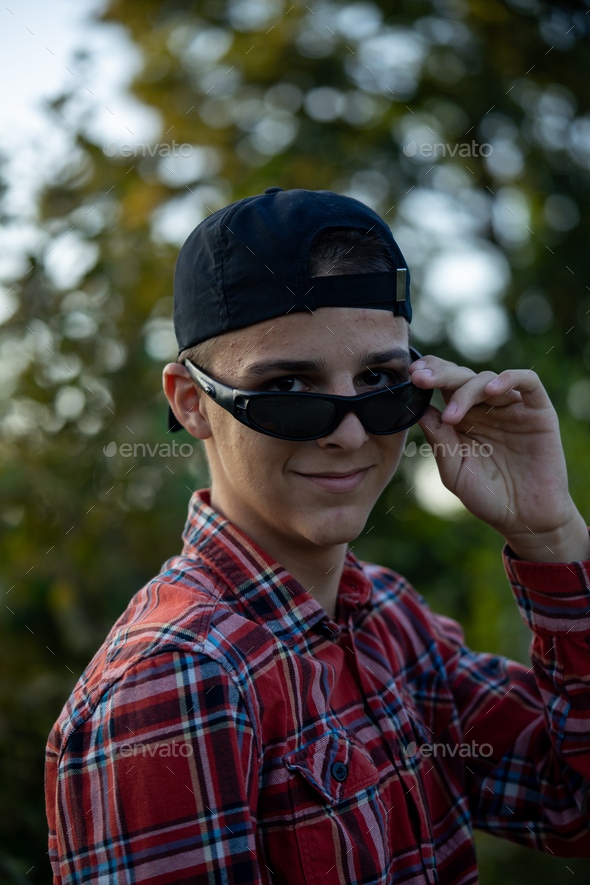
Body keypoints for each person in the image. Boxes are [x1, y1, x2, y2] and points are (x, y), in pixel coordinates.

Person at [45, 187, 590, 884]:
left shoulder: (391, 618)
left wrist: (549, 530)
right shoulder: (174, 681)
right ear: (191, 402)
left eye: (381, 382)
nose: (350, 432)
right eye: (292, 388)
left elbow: (571, 802)